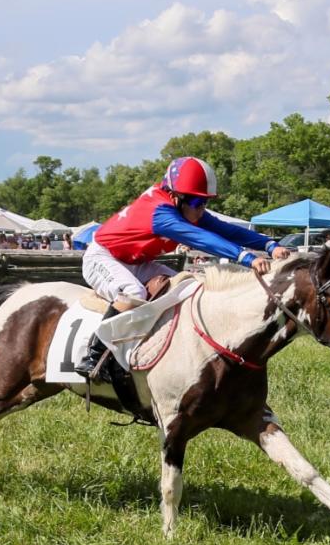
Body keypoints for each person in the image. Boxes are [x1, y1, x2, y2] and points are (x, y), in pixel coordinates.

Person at [76, 156, 290, 380]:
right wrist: (246, 257)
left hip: (134, 261)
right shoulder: (160, 214)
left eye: (206, 203)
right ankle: (93, 356)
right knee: (133, 292)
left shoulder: (181, 205)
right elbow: (201, 238)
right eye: (197, 203)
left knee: (188, 285)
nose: (202, 209)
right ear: (176, 196)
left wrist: (269, 244)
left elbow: (225, 229)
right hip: (102, 256)